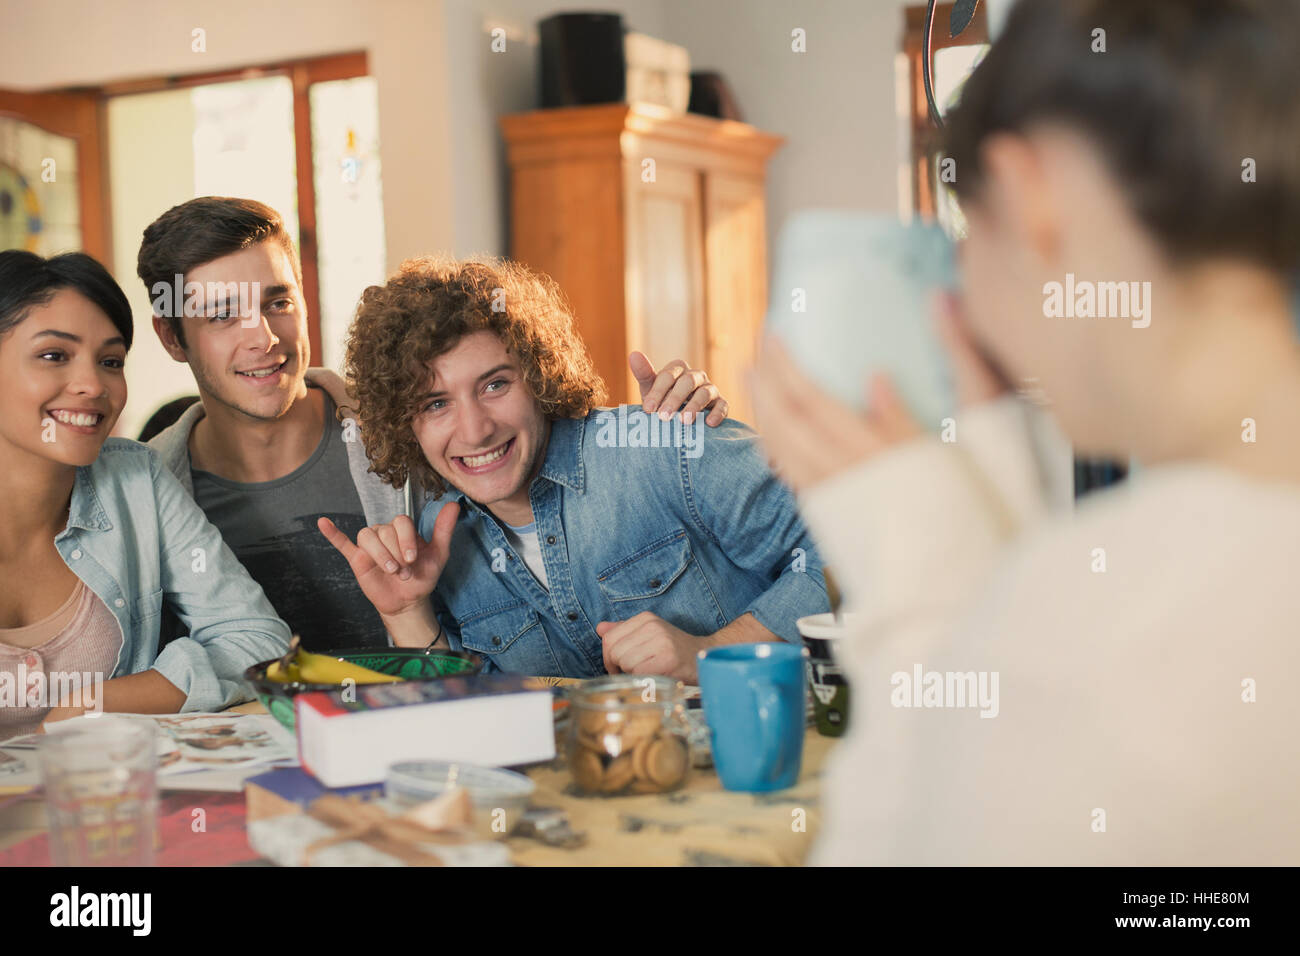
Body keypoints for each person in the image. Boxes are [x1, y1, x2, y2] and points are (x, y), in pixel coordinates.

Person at [753, 0, 1300, 864]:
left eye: (968, 230)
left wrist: (922, 601)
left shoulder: (1114, 618)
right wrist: (1005, 537)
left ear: (1026, 194)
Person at [139, 197, 730, 652]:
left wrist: (669, 421)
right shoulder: (145, 491)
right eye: (221, 315)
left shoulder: (420, 429)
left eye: (278, 302)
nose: (264, 339)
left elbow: (553, 462)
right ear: (172, 337)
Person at [320, 256, 828, 681]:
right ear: (404, 423)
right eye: (435, 404)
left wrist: (713, 653)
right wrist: (407, 614)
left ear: (539, 377)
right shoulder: (438, 543)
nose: (474, 431)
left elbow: (851, 547)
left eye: (495, 385)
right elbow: (472, 718)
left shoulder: (664, 443)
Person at [0, 250, 290, 738]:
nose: (93, 385)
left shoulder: (137, 480)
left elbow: (259, 641)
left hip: (106, 803)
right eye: (54, 355)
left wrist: (94, 703)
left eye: (110, 361)